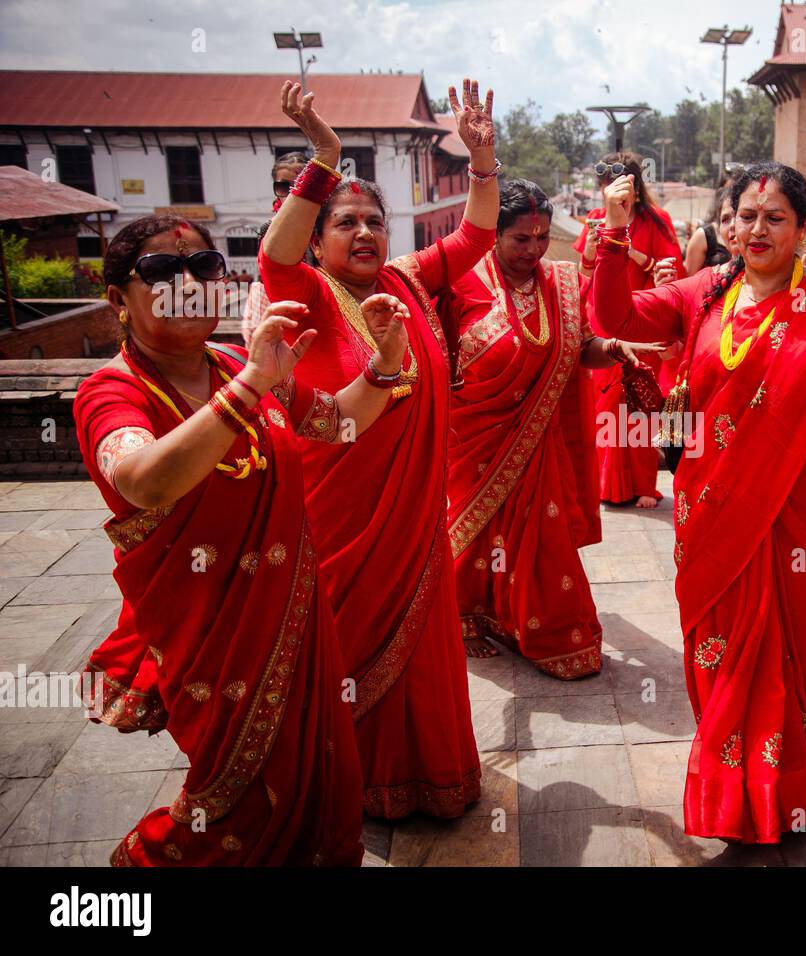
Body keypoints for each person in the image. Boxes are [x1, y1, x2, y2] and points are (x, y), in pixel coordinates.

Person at [591, 162, 806, 843]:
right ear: (729, 224)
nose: (757, 229)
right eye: (746, 216)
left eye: (775, 217)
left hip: (803, 501)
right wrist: (611, 233)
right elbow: (617, 316)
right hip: (712, 501)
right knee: (719, 645)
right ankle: (732, 777)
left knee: (790, 645)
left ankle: (784, 777)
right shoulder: (702, 295)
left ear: (804, 228)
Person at [74, 213, 408, 865]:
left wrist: (387, 362)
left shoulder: (237, 362)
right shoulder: (112, 392)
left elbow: (337, 425)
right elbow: (142, 480)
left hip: (295, 617)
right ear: (118, 299)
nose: (188, 281)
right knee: (239, 801)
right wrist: (249, 387)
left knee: (318, 775)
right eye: (163, 270)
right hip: (211, 641)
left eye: (203, 266)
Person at [257, 78, 498, 821]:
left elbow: (476, 236)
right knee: (346, 651)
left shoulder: (408, 282)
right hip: (338, 518)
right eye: (347, 223)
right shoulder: (303, 291)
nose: (364, 234)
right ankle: (349, 785)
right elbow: (273, 246)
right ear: (320, 237)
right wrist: (324, 156)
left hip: (413, 517)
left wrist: (483, 161)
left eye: (375, 221)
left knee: (422, 650)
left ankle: (429, 775)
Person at [442, 179, 668, 672]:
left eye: (542, 238)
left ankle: (534, 625)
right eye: (521, 239)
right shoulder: (460, 284)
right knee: (476, 538)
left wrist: (611, 349)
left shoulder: (560, 283)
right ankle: (465, 616)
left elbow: (581, 345)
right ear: (492, 235)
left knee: (541, 539)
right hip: (472, 439)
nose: (534, 249)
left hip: (536, 441)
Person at [576, 152, 683, 508]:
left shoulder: (658, 221)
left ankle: (642, 484)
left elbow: (668, 272)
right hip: (602, 320)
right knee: (606, 401)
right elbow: (586, 273)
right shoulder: (594, 219)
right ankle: (608, 484)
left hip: (641, 318)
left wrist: (629, 250)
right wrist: (592, 251)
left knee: (639, 401)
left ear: (635, 190)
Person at [241, 153, 309, 345]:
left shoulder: (327, 225)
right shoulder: (270, 229)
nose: (293, 193)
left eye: (301, 185)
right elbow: (265, 278)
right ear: (275, 188)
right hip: (277, 301)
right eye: (284, 187)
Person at [683, 182, 737, 276]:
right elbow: (689, 282)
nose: (733, 225)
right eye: (725, 219)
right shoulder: (704, 235)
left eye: (746, 217)